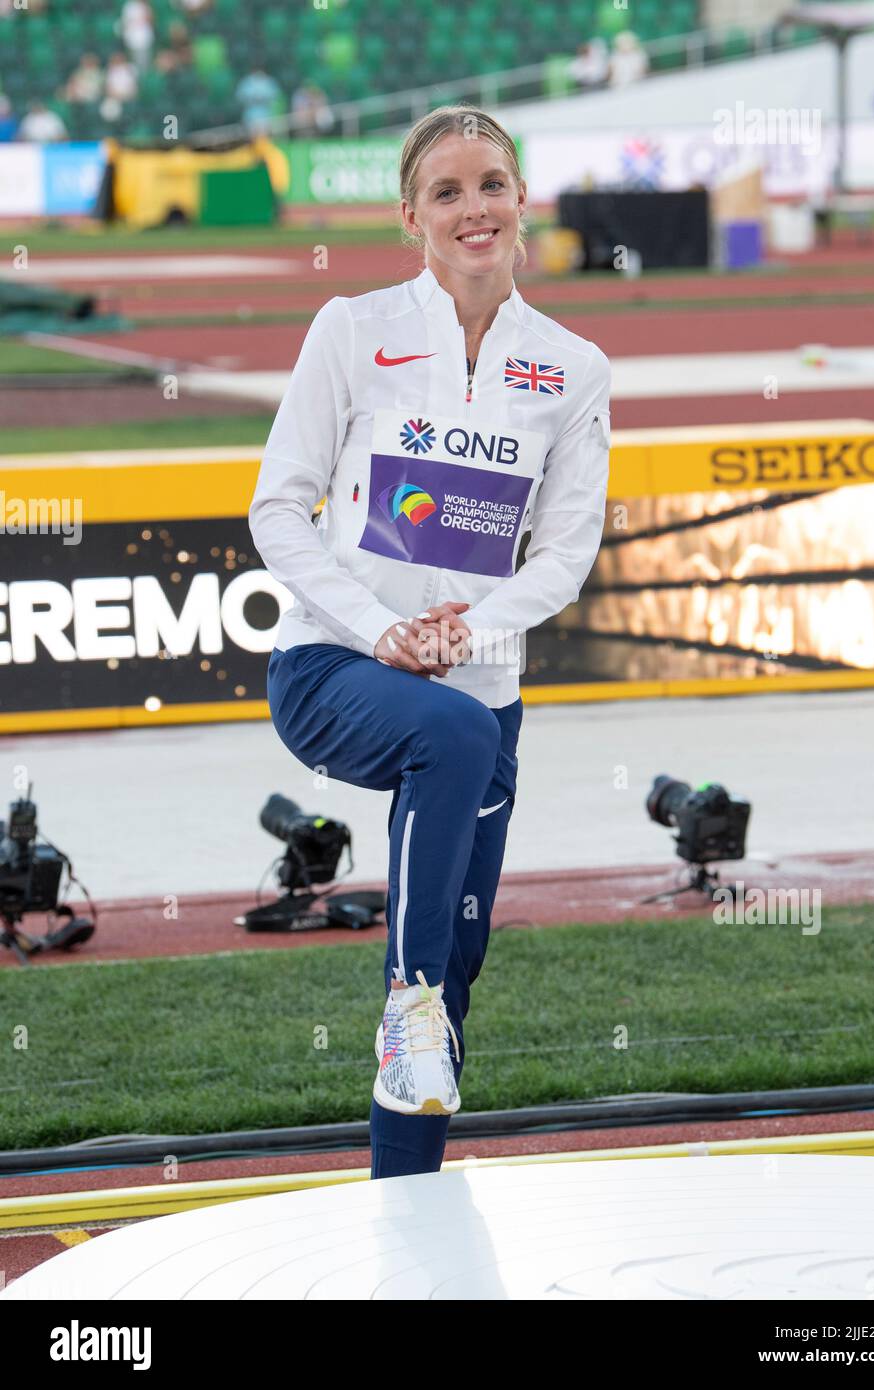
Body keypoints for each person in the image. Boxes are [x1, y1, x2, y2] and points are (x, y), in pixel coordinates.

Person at [249, 104, 612, 1181]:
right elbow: (279, 508)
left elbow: (565, 549)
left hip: (481, 696)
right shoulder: (351, 329)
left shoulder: (573, 365)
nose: (474, 209)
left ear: (520, 199)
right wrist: (383, 631)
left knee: (455, 975)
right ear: (411, 216)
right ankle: (403, 1002)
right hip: (332, 668)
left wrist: (470, 632)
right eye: (447, 192)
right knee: (446, 745)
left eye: (491, 184)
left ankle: (401, 1204)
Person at [235, 66, 281, 135]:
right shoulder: (247, 82)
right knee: (253, 135)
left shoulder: (269, 81)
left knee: (264, 135)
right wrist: (252, 98)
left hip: (266, 113)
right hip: (251, 114)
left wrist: (263, 98)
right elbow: (240, 97)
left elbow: (275, 96)